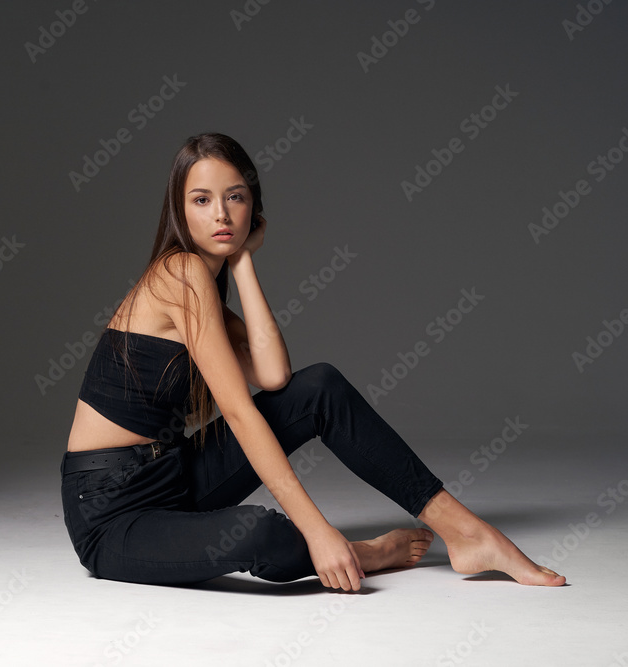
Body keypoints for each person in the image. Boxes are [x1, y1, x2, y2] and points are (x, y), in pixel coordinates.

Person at [60, 132, 565, 591]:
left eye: (235, 197)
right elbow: (239, 411)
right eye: (202, 200)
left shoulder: (205, 287)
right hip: (111, 512)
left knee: (319, 386)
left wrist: (242, 261)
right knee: (258, 532)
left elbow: (274, 375)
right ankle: (363, 554)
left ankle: (465, 531)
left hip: (173, 477)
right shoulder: (180, 275)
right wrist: (317, 528)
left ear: (253, 206)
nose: (221, 215)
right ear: (180, 209)